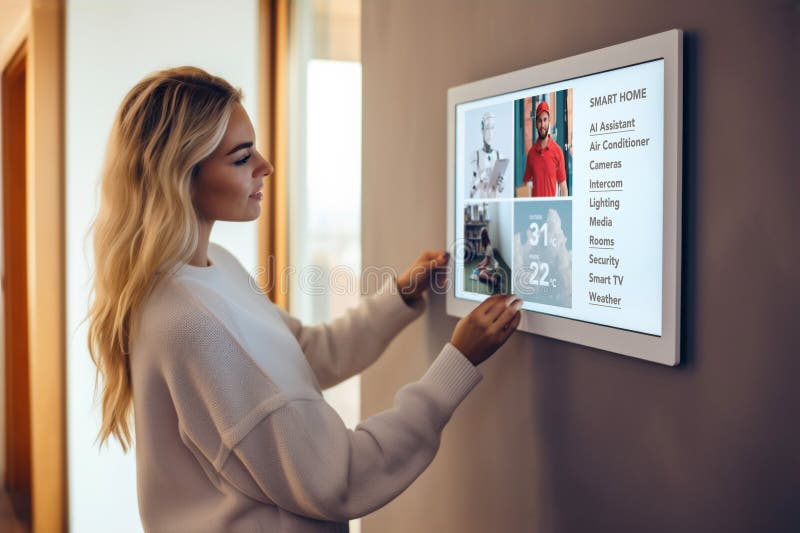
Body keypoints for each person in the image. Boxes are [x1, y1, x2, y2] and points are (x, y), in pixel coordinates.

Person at [85, 66, 523, 533]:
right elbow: (341, 478)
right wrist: (457, 362)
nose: (266, 166)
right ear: (181, 177)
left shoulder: (212, 267)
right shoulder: (189, 321)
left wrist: (399, 296)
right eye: (242, 157)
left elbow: (306, 354)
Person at [521, 100, 568, 197]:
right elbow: (525, 185)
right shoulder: (531, 153)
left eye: (545, 120)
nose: (542, 125)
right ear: (536, 124)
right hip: (535, 205)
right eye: (539, 120)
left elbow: (563, 188)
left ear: (549, 121)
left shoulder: (557, 151)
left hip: (552, 206)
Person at [469, 111, 506, 198]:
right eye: (487, 128)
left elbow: (502, 188)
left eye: (492, 128)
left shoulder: (499, 155)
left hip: (495, 202)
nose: (490, 133)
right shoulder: (476, 155)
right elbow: (472, 190)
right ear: (482, 130)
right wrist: (481, 178)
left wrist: (501, 183)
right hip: (483, 202)